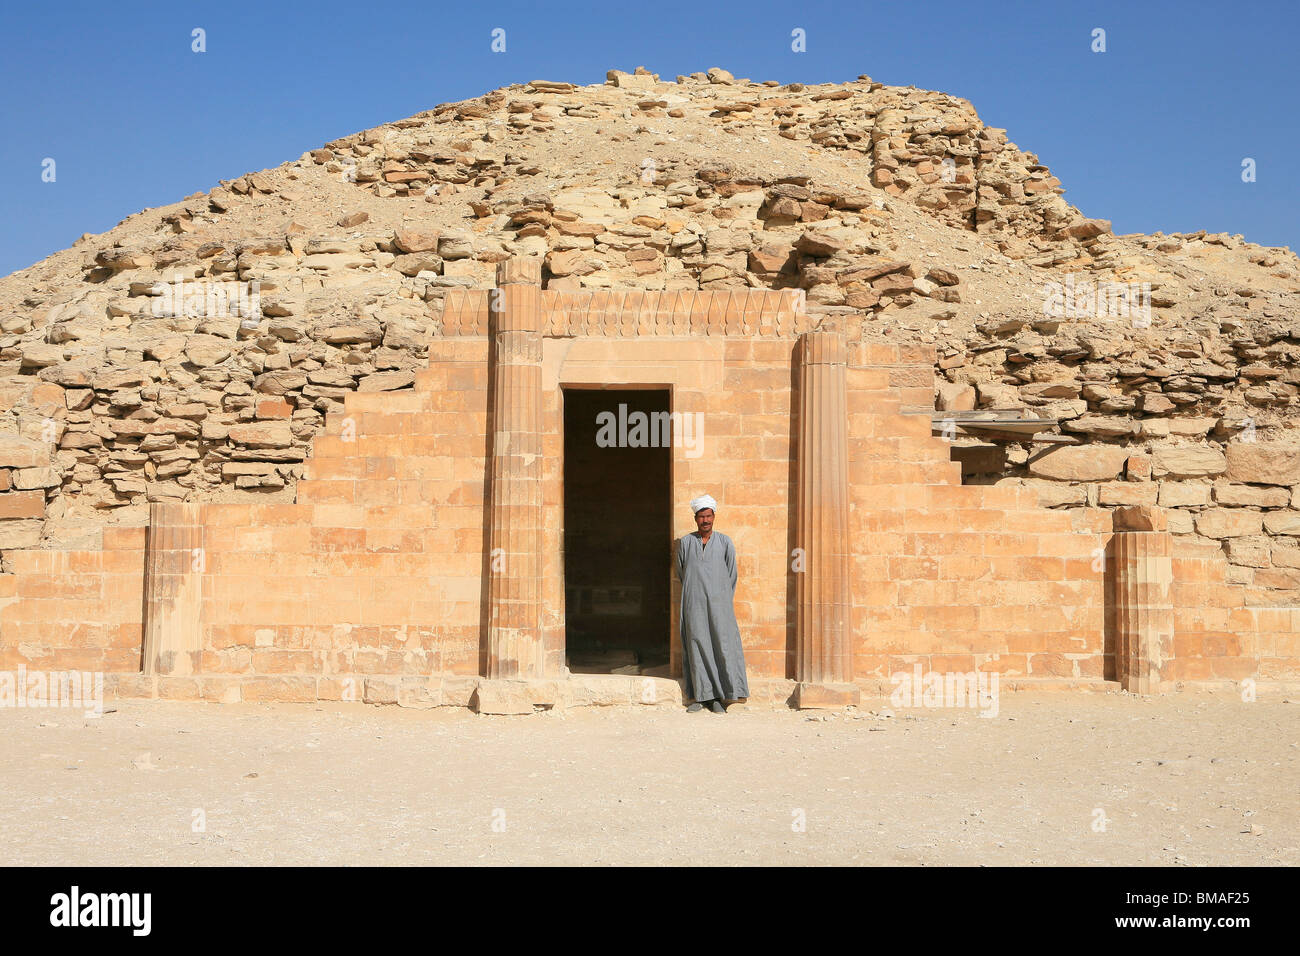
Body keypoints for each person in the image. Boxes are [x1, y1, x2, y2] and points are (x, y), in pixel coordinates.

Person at [674, 494, 749, 713]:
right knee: (697, 645)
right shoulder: (686, 543)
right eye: (701, 516)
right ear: (695, 518)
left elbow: (731, 575)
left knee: (721, 645)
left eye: (708, 516)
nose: (705, 520)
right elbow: (681, 572)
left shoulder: (725, 542)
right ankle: (700, 696)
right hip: (694, 604)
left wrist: (720, 597)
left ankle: (719, 697)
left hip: (720, 606)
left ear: (714, 516)